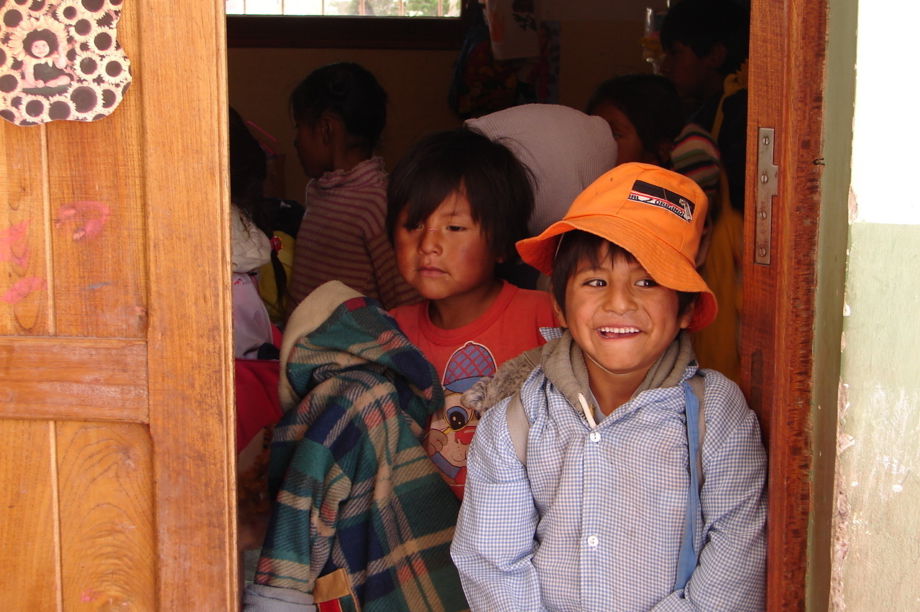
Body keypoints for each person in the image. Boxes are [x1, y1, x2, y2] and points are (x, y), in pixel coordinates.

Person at [451, 163, 766, 610]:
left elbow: (737, 553)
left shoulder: (714, 413)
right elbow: (492, 562)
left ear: (684, 310)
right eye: (595, 281)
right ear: (559, 305)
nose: (620, 302)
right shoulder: (517, 421)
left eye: (647, 281)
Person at [387, 128, 558, 499]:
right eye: (414, 224)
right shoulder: (388, 333)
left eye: (454, 227)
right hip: (424, 533)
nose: (429, 244)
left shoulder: (544, 320)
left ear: (500, 242)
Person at [586, 73, 741, 383]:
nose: (601, 145)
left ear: (660, 149)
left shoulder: (690, 225)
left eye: (615, 134)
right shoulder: (592, 219)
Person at [286, 62, 418, 313]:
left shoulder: (377, 203)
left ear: (326, 129)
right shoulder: (320, 191)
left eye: (299, 127)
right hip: (302, 344)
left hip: (351, 348)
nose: (296, 140)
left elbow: (404, 300)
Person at [660, 0, 749, 215]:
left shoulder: (735, 112)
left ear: (714, 56)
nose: (665, 66)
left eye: (675, 53)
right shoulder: (710, 108)